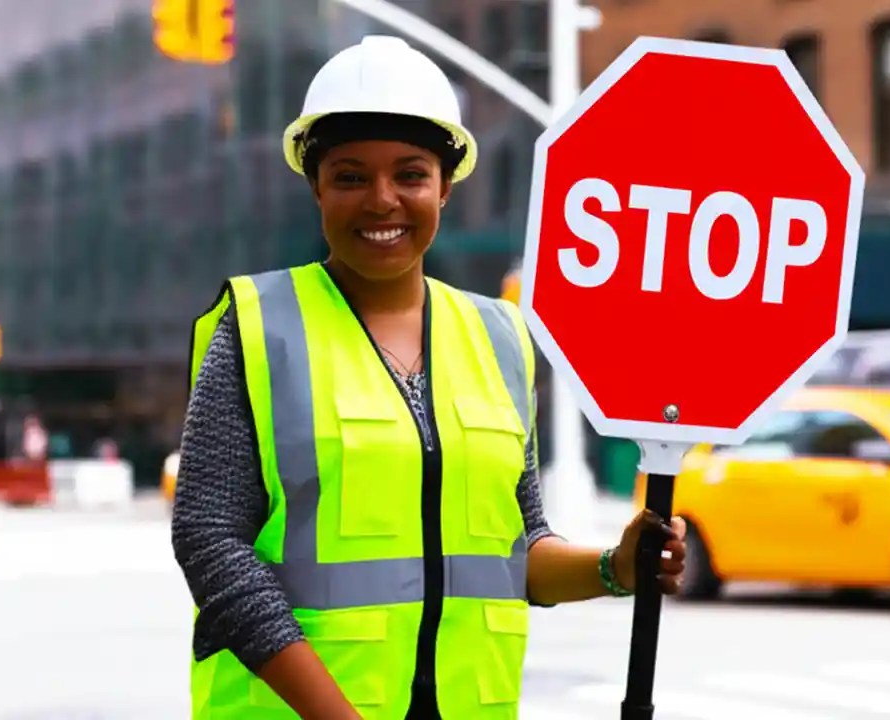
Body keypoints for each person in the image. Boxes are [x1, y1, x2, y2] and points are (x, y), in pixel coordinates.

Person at [171, 35, 688, 720]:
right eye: (351, 176)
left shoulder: (499, 338)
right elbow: (210, 540)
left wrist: (613, 568)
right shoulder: (259, 327)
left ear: (445, 186)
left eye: (410, 174)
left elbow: (515, 547)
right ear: (315, 186)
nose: (382, 200)